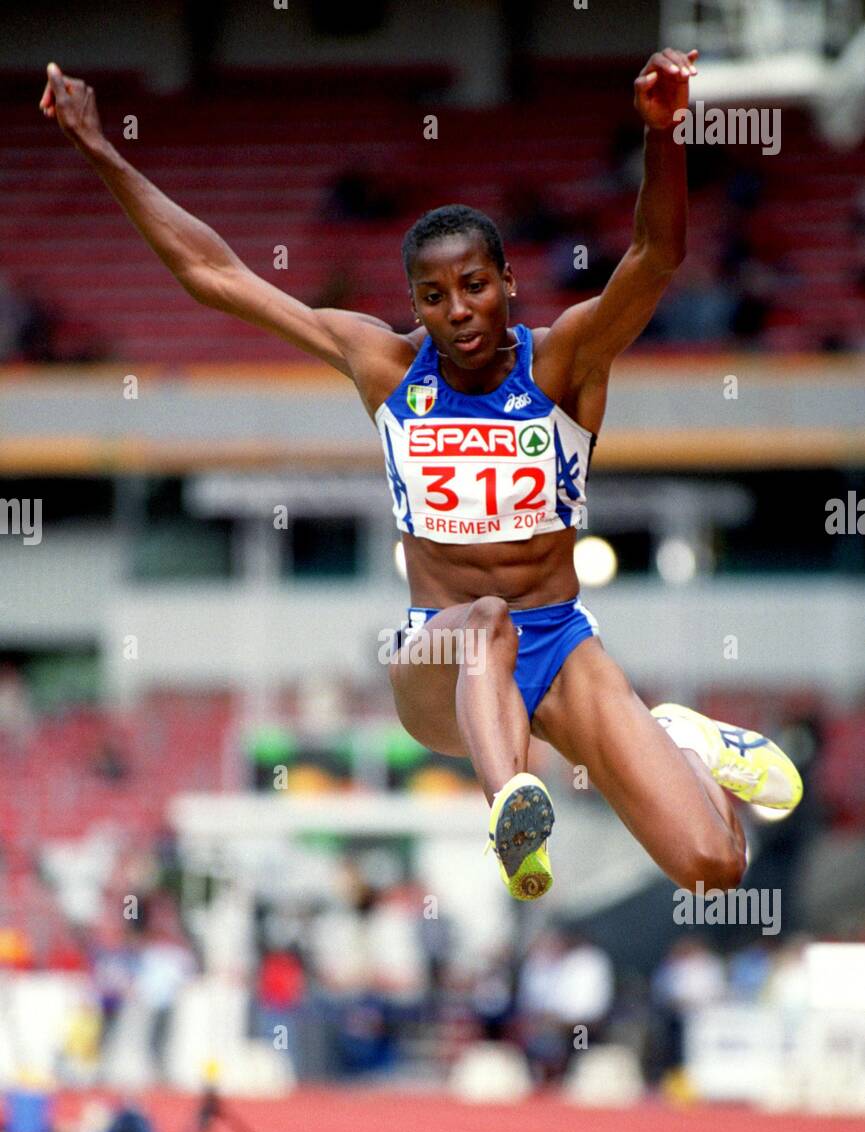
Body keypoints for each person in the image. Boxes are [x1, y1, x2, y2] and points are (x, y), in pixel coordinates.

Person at [40, 50, 803, 904]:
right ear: (414, 304)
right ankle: (512, 808)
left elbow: (656, 256)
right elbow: (215, 276)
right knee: (482, 621)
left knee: (715, 865)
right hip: (439, 651)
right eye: (433, 297)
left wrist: (662, 135)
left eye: (474, 286)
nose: (458, 311)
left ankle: (682, 742)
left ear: (509, 283)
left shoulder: (563, 363)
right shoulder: (386, 367)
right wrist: (100, 148)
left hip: (558, 640)